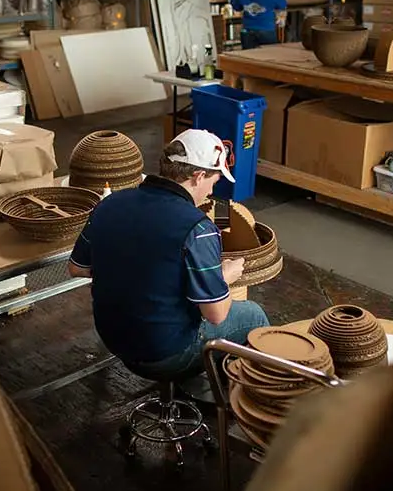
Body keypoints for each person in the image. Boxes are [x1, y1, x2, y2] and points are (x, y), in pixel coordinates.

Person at [67, 129, 270, 382]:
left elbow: (77, 268)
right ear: (198, 176)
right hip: (162, 353)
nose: (210, 193)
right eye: (213, 183)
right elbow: (216, 315)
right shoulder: (197, 227)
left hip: (113, 337)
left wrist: (132, 267)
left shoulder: (109, 203)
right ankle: (237, 395)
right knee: (253, 313)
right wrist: (224, 276)